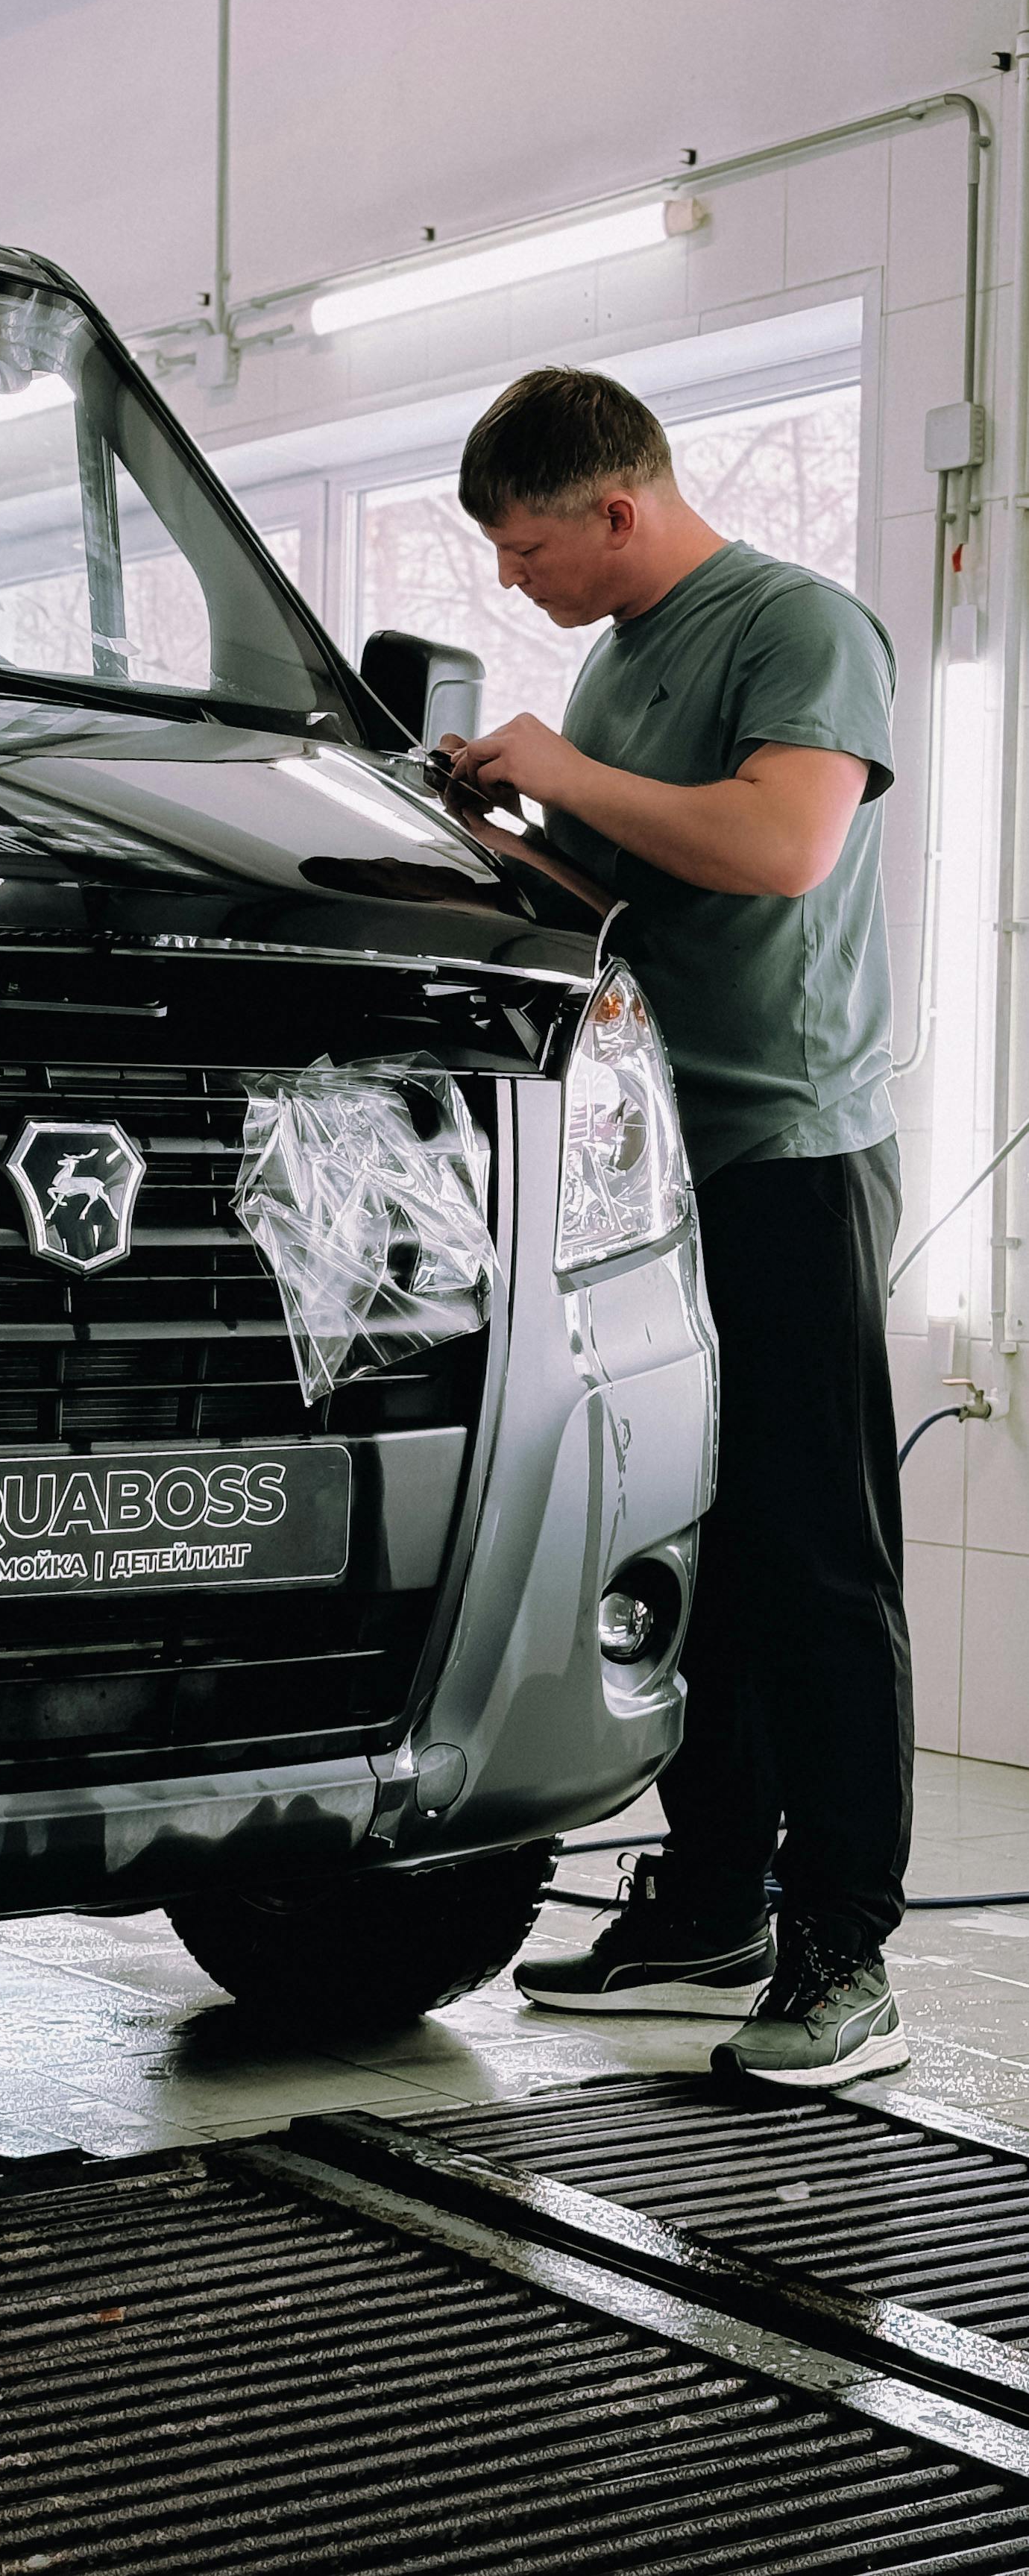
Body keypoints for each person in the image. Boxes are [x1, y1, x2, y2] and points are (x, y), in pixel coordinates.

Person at [444, 364, 911, 2089]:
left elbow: (781, 848)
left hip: (780, 1151)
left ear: (617, 509)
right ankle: (709, 1894)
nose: (511, 579)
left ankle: (844, 1949)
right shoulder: (610, 657)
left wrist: (561, 763)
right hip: (640, 1160)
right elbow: (633, 893)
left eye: (525, 543)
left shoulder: (793, 624)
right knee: (690, 1540)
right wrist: (496, 828)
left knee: (811, 1554)